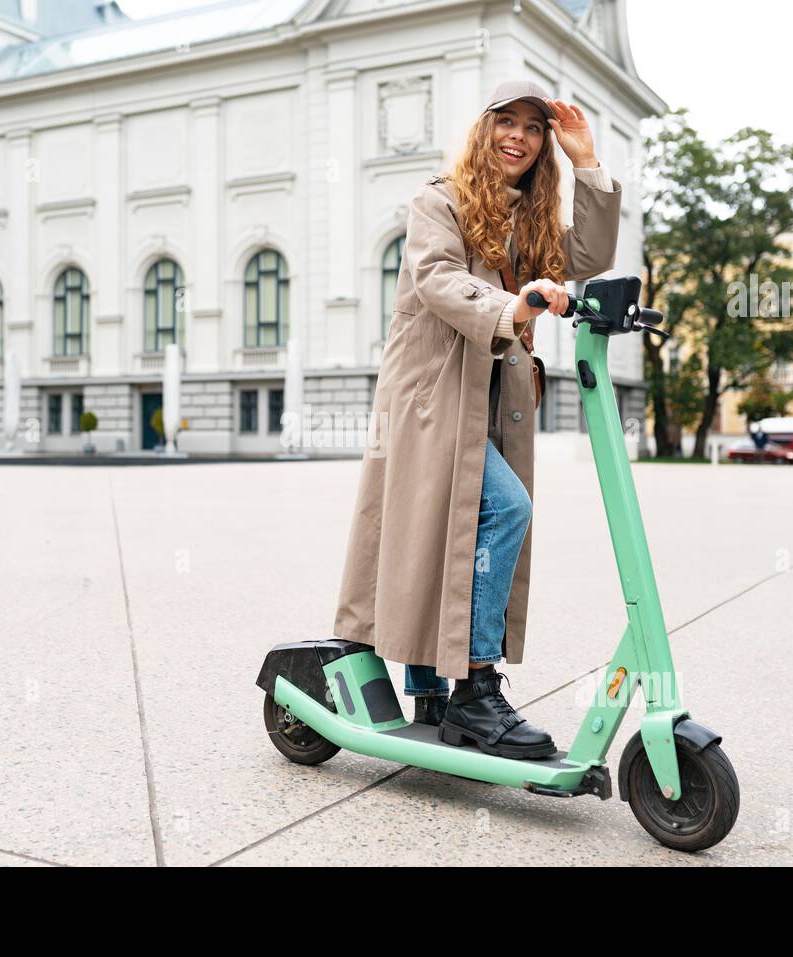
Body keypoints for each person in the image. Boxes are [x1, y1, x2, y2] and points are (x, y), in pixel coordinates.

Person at [331, 80, 623, 759]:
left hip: (491, 397)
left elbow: (592, 256)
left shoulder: (533, 217)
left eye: (532, 128)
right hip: (433, 395)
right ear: (483, 129)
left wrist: (586, 162)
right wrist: (515, 305)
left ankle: (432, 691)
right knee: (504, 509)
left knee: (447, 530)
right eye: (506, 122)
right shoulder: (440, 199)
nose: (517, 136)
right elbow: (436, 278)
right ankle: (474, 690)